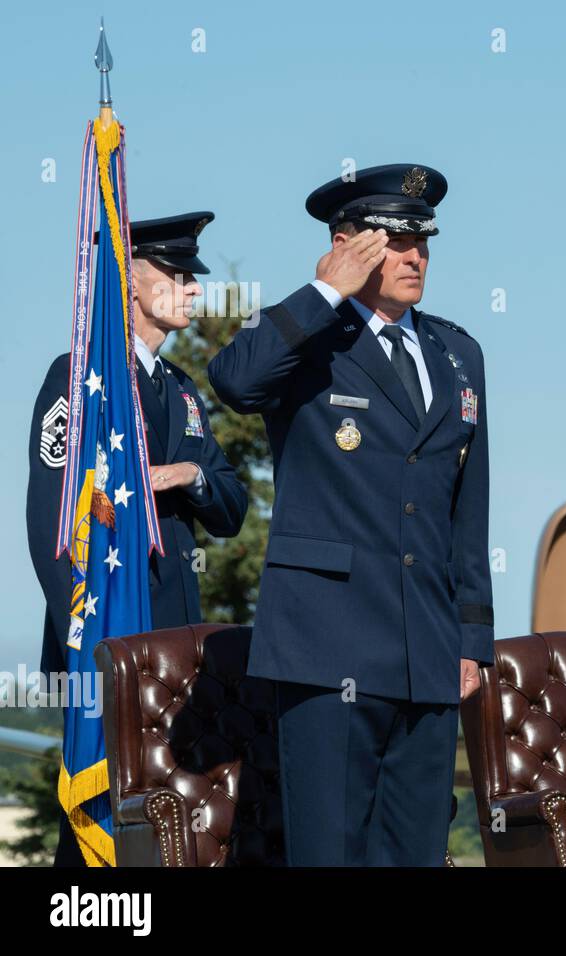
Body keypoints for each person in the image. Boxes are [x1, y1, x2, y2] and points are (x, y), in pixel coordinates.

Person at [207, 164, 493, 866]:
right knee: (330, 852)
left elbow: (467, 505)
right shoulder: (307, 335)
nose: (416, 256)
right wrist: (325, 289)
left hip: (426, 647)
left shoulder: (457, 353)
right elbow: (234, 381)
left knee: (416, 852)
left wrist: (471, 636)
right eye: (395, 241)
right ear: (346, 244)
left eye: (422, 241)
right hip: (326, 642)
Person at [26, 211, 248, 866]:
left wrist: (187, 474)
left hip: (177, 647)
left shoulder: (181, 391)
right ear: (129, 282)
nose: (193, 290)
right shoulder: (77, 379)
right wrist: (90, 644)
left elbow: (230, 505)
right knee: (99, 839)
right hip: (104, 641)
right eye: (178, 275)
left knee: (168, 832)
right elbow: (52, 529)